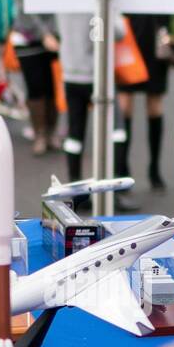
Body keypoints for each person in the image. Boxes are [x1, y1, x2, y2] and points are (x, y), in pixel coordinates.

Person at [58, 12, 135, 210]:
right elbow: (118, 31)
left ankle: (75, 194)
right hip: (97, 75)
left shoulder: (62, 2)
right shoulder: (95, 0)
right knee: (117, 131)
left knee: (75, 135)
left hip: (70, 73)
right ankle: (114, 192)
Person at [116, 13, 174, 191]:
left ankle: (154, 169)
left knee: (154, 107)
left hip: (157, 41)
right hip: (128, 39)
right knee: (125, 107)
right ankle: (121, 169)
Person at [9, 0, 61, 155]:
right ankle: (39, 133)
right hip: (28, 38)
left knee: (52, 87)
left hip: (54, 38)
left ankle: (51, 132)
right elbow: (21, 4)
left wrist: (54, 32)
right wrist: (44, 34)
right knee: (35, 87)